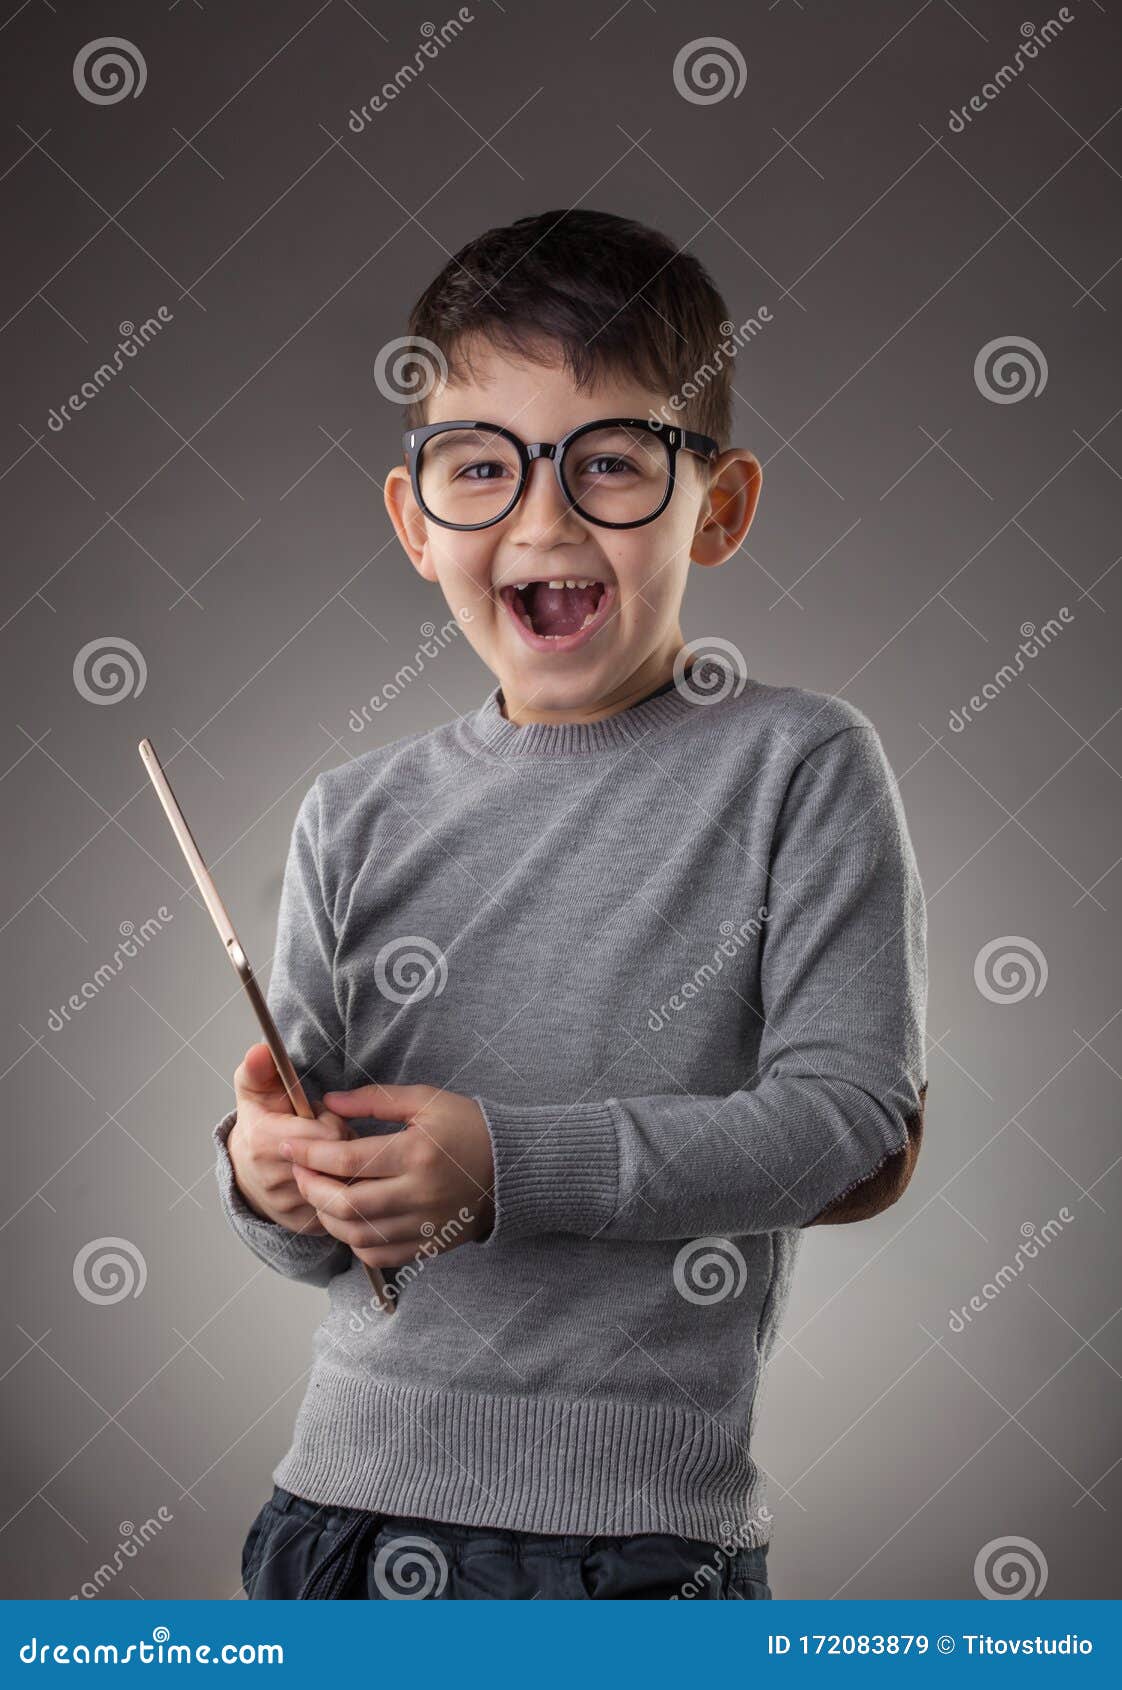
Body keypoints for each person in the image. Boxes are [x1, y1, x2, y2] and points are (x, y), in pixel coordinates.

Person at [215, 208, 928, 1601]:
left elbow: (854, 1132)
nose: (542, 519)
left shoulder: (796, 764)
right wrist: (271, 1173)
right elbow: (315, 1242)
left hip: (628, 1548)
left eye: (608, 462)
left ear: (714, 507)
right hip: (335, 1519)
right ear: (416, 519)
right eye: (480, 466)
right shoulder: (349, 815)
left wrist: (505, 1167)